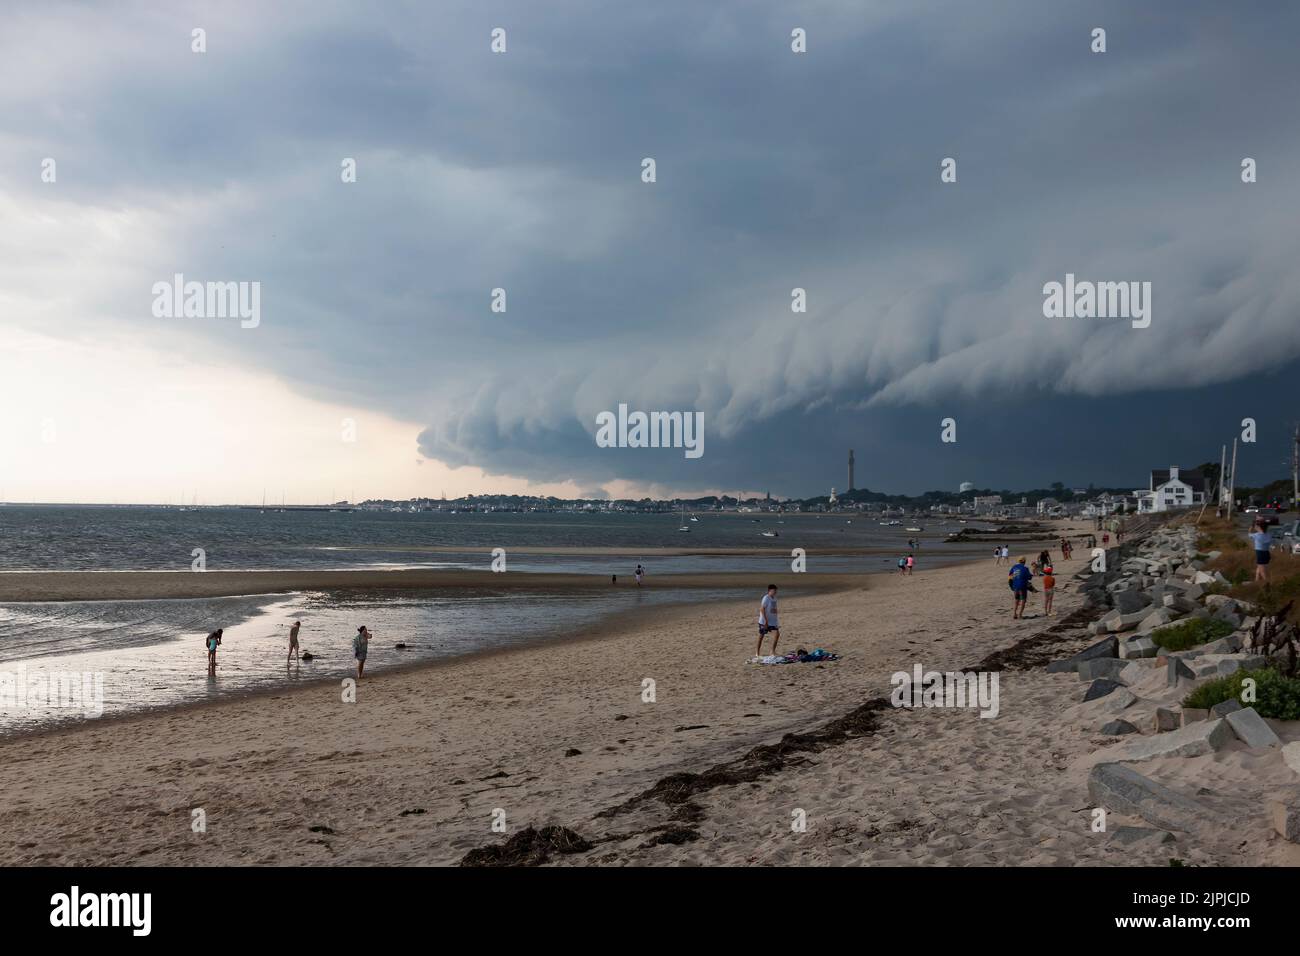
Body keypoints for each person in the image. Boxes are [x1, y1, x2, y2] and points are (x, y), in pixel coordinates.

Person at [756, 584, 780, 656]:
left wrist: (776, 620)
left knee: (777, 634)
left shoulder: (774, 598)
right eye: (774, 590)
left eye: (776, 590)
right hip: (764, 621)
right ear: (769, 591)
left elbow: (774, 609)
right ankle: (757, 653)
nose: (775, 592)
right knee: (761, 636)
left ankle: (772, 651)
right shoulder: (766, 598)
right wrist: (766, 621)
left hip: (772, 622)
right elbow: (762, 609)